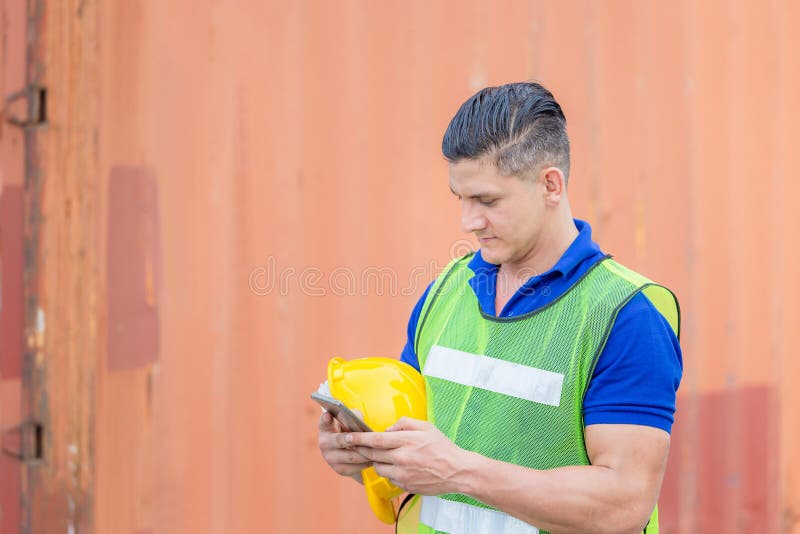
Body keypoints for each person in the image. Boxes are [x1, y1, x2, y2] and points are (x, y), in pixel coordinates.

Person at [317, 82, 682, 534]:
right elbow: (415, 455)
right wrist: (359, 456)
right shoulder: (446, 291)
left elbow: (622, 505)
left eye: (487, 201)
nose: (468, 222)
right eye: (462, 199)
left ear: (550, 185)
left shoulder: (627, 316)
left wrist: (458, 471)